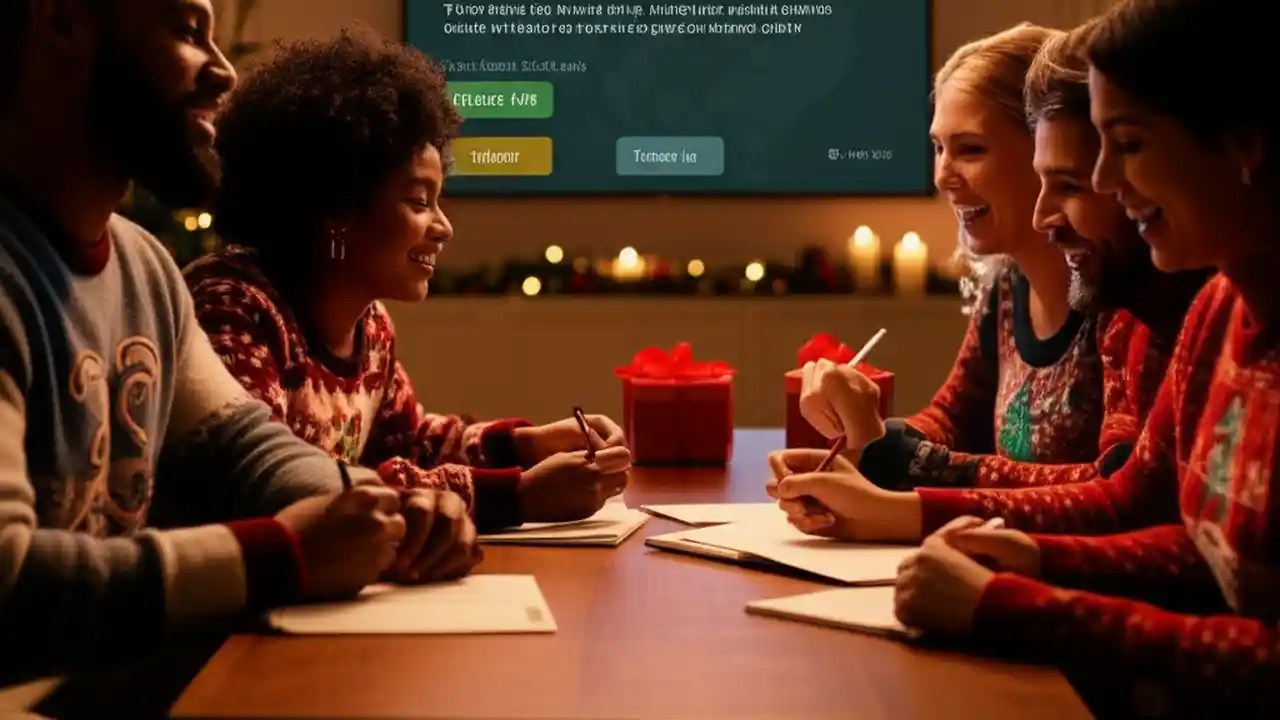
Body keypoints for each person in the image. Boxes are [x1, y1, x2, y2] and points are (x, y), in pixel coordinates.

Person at [794, 2, 1280, 714]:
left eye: (1129, 144)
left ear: (1245, 143)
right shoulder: (1219, 310)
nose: (1107, 180)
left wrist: (1017, 603)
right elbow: (1172, 532)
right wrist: (1033, 557)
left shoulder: (1154, 301)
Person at [0, 0, 477, 691]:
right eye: (189, 30)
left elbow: (247, 450)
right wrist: (281, 554)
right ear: (65, 22)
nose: (225, 73)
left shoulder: (145, 269)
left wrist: (389, 512)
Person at [183, 29, 630, 532]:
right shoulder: (232, 307)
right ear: (335, 205)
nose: (444, 227)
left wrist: (526, 444)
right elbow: (272, 490)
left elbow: (409, 443)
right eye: (419, 201)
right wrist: (516, 497)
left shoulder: (370, 329)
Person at [801, 23, 1108, 490]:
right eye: (938, 148)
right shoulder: (1007, 285)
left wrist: (888, 456)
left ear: (1046, 145)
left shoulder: (1117, 292)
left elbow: (1115, 488)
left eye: (970, 149)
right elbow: (953, 417)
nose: (943, 176)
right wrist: (858, 454)